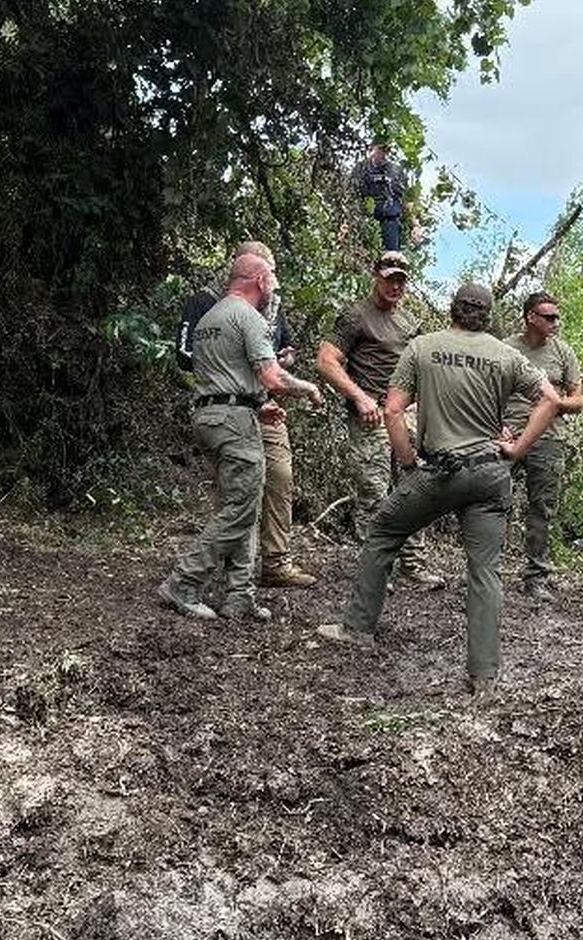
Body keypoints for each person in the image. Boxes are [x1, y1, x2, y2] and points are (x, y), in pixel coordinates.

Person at [317, 283, 561, 694]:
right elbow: (551, 400)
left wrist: (409, 462)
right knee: (485, 570)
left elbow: (393, 409)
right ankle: (483, 674)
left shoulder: (422, 348)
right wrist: (516, 450)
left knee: (383, 530)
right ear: (489, 315)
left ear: (452, 310)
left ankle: (357, 627)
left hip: (439, 470)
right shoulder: (506, 355)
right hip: (490, 474)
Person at [159, 253, 323, 622]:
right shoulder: (247, 316)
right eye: (271, 284)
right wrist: (309, 388)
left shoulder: (209, 319)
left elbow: (220, 375)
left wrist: (253, 404)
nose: (271, 293)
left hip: (210, 416)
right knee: (240, 508)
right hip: (234, 424)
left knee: (240, 504)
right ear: (259, 281)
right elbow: (273, 376)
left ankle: (240, 595)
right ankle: (183, 581)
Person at [316, 251, 443, 587]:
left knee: (414, 491)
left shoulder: (410, 322)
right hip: (370, 420)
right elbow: (326, 360)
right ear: (376, 276)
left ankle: (412, 566)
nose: (395, 285)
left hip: (404, 418)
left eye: (401, 279)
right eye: (389, 278)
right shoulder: (357, 316)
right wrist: (359, 396)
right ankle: (375, 569)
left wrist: (422, 406)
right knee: (372, 494)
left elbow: (423, 369)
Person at [504, 291, 583, 601]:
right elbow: (487, 391)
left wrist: (555, 403)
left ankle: (536, 576)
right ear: (530, 318)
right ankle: (486, 571)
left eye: (557, 316)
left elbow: (578, 400)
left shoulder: (563, 353)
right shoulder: (506, 349)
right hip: (507, 433)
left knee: (542, 509)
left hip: (548, 438)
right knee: (493, 500)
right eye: (549, 317)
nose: (555, 322)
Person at [351, 141, 408, 251]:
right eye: (380, 149)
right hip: (366, 218)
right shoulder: (361, 168)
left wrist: (416, 225)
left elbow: (407, 200)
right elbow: (351, 196)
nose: (383, 153)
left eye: (386, 150)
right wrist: (345, 223)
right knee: (360, 252)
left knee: (391, 256)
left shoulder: (396, 171)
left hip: (389, 219)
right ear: (371, 149)